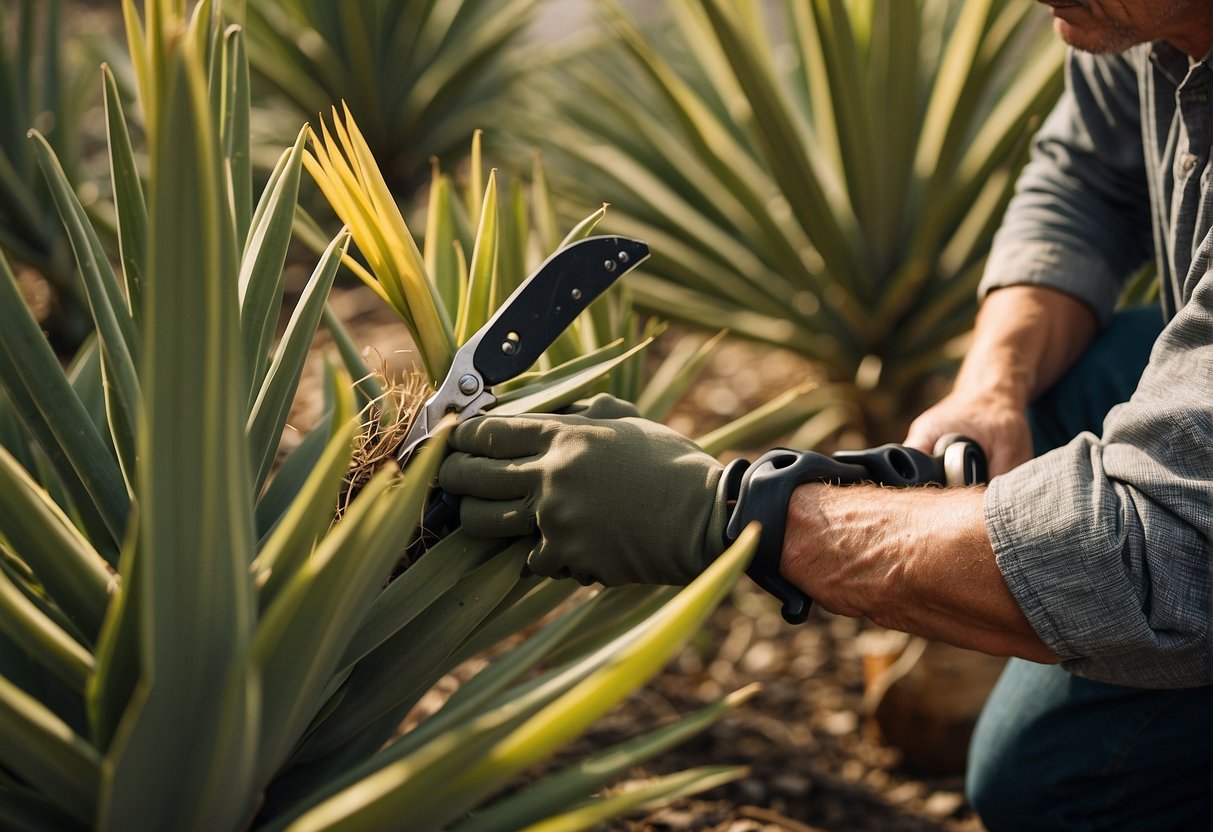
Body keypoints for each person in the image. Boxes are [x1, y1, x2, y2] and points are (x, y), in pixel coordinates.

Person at [438, 1, 1213, 828]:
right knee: (1072, 385)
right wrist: (991, 386)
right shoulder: (1141, 23)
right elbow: (1087, 182)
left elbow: (1165, 553)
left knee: (1056, 785)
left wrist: (738, 519)